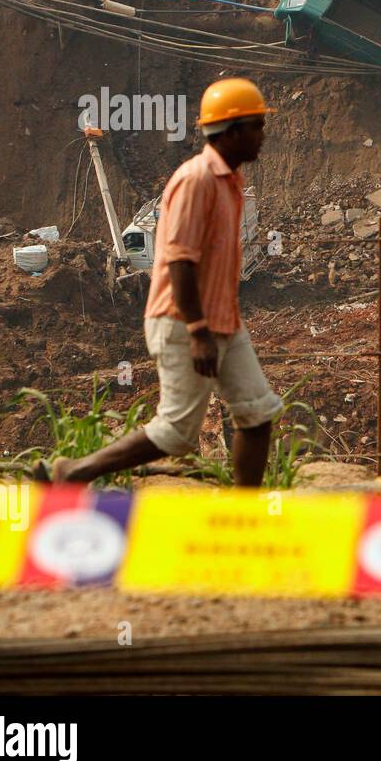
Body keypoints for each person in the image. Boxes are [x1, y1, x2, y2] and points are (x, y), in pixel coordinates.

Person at [34, 78, 284, 487]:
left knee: (257, 413)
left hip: (223, 319)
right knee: (178, 432)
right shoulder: (195, 180)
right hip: (184, 321)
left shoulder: (231, 183)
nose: (262, 135)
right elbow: (179, 262)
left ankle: (245, 516)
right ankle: (74, 471)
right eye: (257, 125)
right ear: (233, 130)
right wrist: (199, 331)